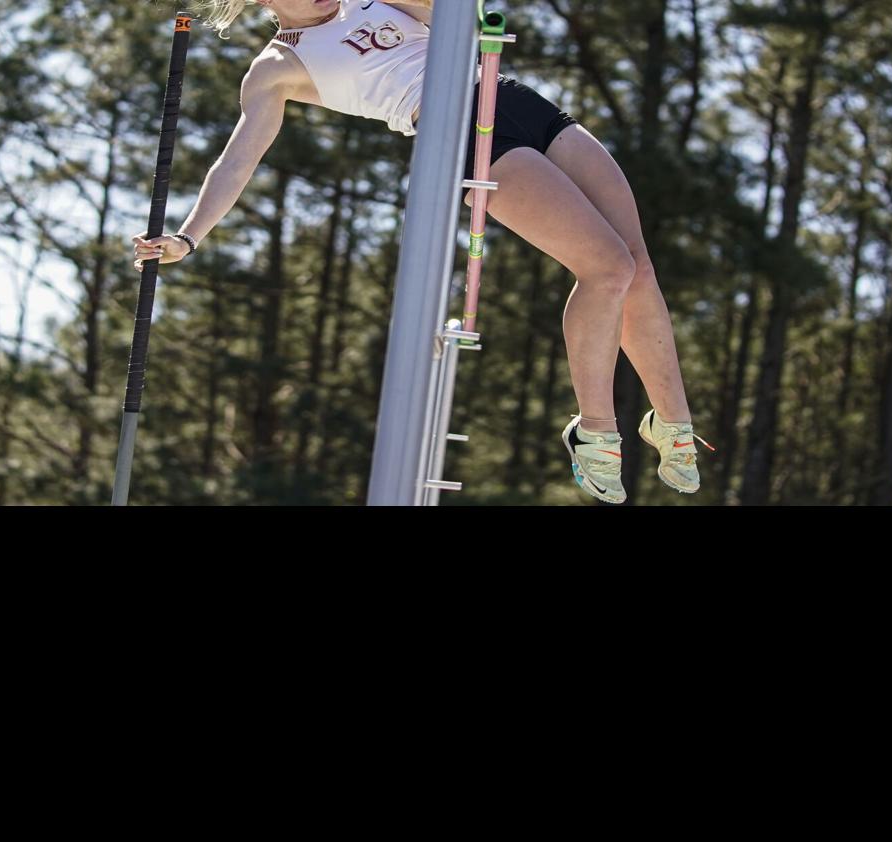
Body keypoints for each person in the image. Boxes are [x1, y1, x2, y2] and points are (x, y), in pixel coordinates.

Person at [133, 0, 713, 503]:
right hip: (456, 131)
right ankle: (595, 426)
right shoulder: (275, 70)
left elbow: (445, 13)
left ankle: (672, 423)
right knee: (606, 268)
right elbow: (238, 159)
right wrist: (189, 235)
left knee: (637, 267)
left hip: (510, 98)